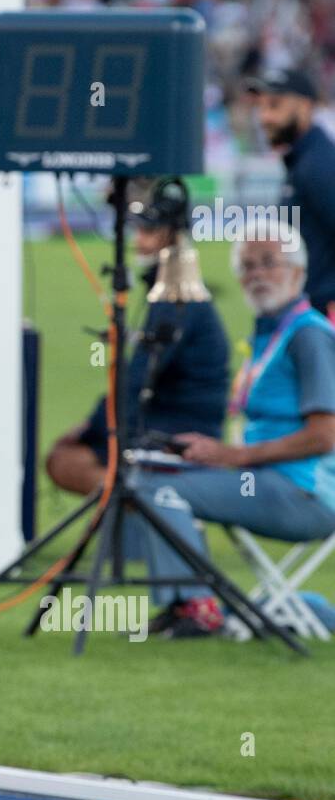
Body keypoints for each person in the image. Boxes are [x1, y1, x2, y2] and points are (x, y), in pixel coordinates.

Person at [131, 227, 335, 639]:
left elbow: (325, 436)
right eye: (247, 266)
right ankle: (252, 608)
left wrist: (233, 456)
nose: (257, 274)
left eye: (268, 262)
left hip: (306, 493)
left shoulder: (309, 336)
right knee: (152, 474)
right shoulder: (270, 332)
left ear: (298, 271)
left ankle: (195, 608)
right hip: (267, 480)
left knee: (155, 488)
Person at [46, 179, 229, 497]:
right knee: (71, 454)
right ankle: (135, 515)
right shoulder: (175, 292)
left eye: (148, 231)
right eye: (138, 230)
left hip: (178, 431)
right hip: (172, 421)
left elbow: (136, 380)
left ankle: (140, 509)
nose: (138, 240)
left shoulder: (175, 298)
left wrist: (93, 429)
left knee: (65, 461)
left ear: (172, 234)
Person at [245, 67, 335, 320]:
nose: (264, 117)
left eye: (274, 105)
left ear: (305, 106)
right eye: (260, 107)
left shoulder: (319, 165)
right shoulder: (303, 161)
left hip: (323, 316)